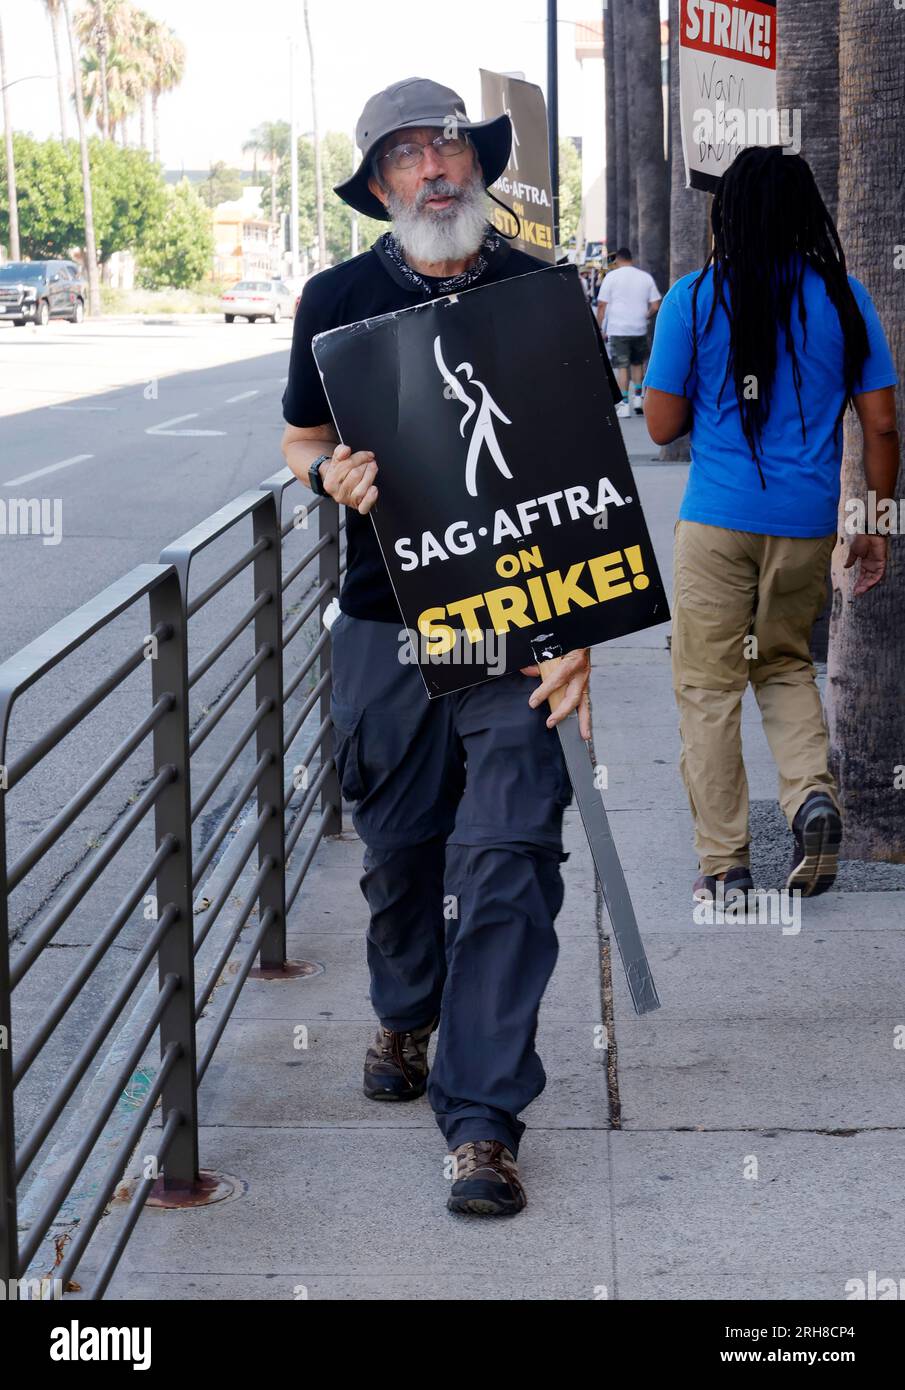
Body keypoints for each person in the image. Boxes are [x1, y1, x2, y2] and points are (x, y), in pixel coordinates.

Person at [280, 77, 594, 1217]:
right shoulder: (336, 298)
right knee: (400, 850)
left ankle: (481, 1121)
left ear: (478, 166)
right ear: (377, 185)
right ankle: (405, 1009)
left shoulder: (539, 291)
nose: (434, 168)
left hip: (516, 627)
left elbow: (585, 485)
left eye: (449, 147)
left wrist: (582, 642)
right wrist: (327, 476)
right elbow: (301, 436)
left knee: (509, 852)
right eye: (408, 155)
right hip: (385, 621)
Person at [643, 146, 899, 904]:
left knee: (707, 688)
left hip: (716, 521)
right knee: (783, 665)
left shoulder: (693, 300)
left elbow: (659, 425)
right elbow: (881, 428)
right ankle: (809, 800)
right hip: (805, 526)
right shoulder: (845, 299)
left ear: (727, 215)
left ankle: (725, 863)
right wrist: (874, 522)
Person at [596, 247, 662, 418]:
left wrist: (600, 327)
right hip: (638, 328)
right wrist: (645, 316)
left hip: (618, 329)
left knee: (622, 367)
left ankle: (625, 404)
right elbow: (656, 305)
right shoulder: (645, 277)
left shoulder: (611, 277)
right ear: (631, 259)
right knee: (637, 363)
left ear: (617, 260)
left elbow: (602, 305)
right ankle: (639, 399)